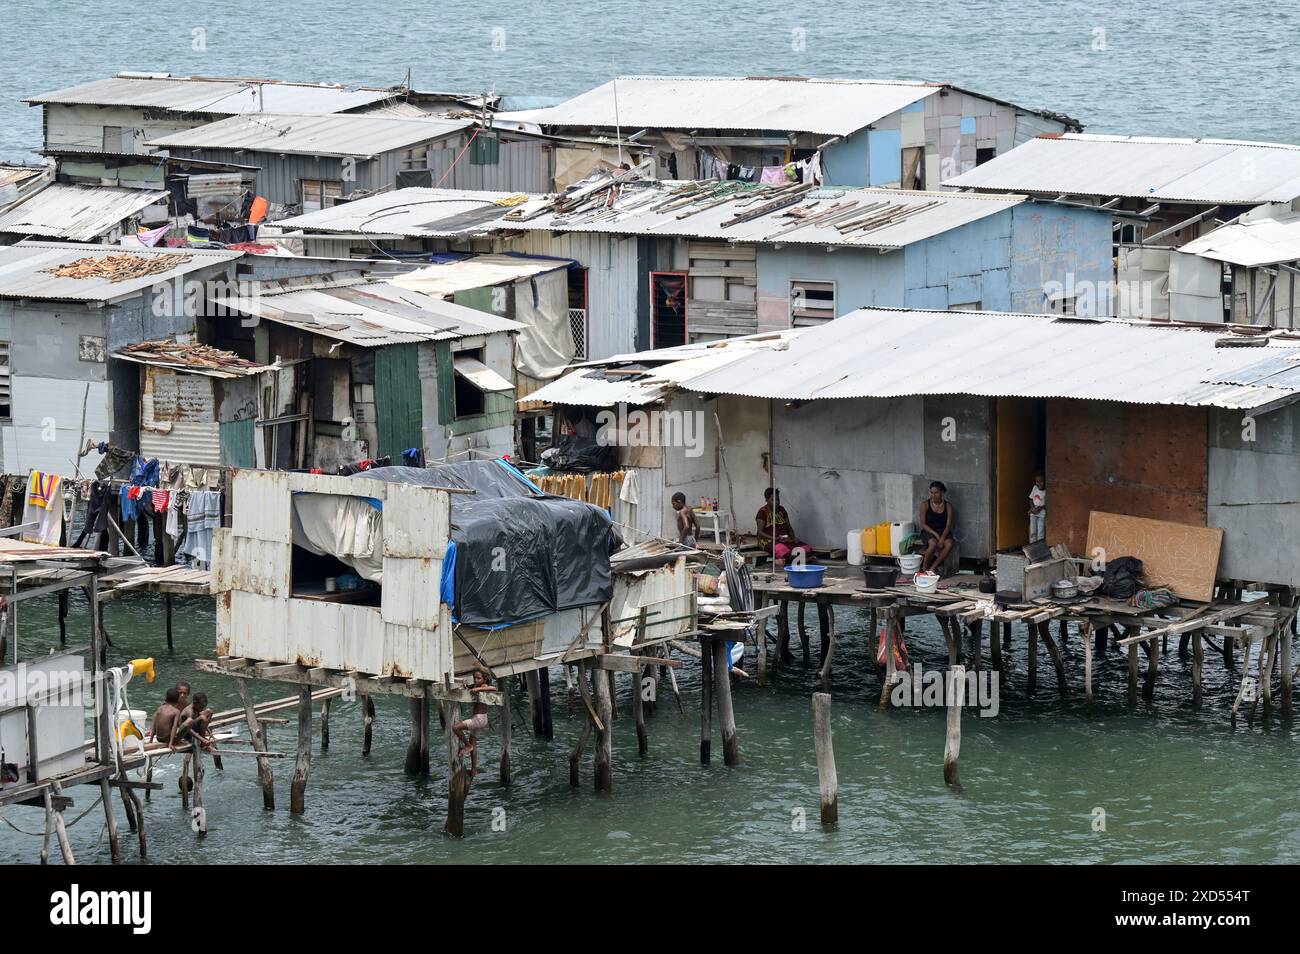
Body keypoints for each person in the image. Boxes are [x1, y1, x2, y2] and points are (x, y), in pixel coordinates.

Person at [452, 668, 497, 778]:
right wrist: (469, 688)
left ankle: (467, 745)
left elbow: (494, 688)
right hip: (481, 719)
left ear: (485, 679)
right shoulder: (478, 686)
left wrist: (477, 690)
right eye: (475, 678)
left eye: (478, 678)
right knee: (474, 744)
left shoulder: (484, 686)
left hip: (479, 719)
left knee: (455, 727)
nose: (476, 680)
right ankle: (474, 769)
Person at [756, 487, 808, 566]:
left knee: (806, 548)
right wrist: (775, 538)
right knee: (782, 549)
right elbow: (760, 532)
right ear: (766, 500)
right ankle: (798, 560)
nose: (776, 502)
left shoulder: (782, 510)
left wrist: (793, 538)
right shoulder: (762, 512)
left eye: (777, 499)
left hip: (784, 540)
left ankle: (789, 560)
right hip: (768, 541)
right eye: (772, 500)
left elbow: (788, 527)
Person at [918, 481, 955, 574]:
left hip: (943, 531)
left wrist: (942, 538)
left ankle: (932, 567)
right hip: (929, 531)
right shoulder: (925, 504)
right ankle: (924, 568)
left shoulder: (948, 506)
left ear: (942, 492)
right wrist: (937, 536)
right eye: (932, 493)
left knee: (949, 544)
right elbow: (923, 524)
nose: (933, 495)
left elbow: (948, 525)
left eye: (936, 493)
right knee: (933, 543)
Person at [1028, 472, 1047, 543]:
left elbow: (1047, 504)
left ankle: (1040, 549)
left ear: (1045, 481)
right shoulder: (1035, 488)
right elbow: (1030, 499)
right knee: (1033, 532)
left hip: (1041, 514)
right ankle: (1032, 548)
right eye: (1037, 481)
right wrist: (1032, 508)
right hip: (1033, 514)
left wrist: (1040, 508)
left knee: (1040, 533)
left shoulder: (1046, 491)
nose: (1039, 483)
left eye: (1041, 481)